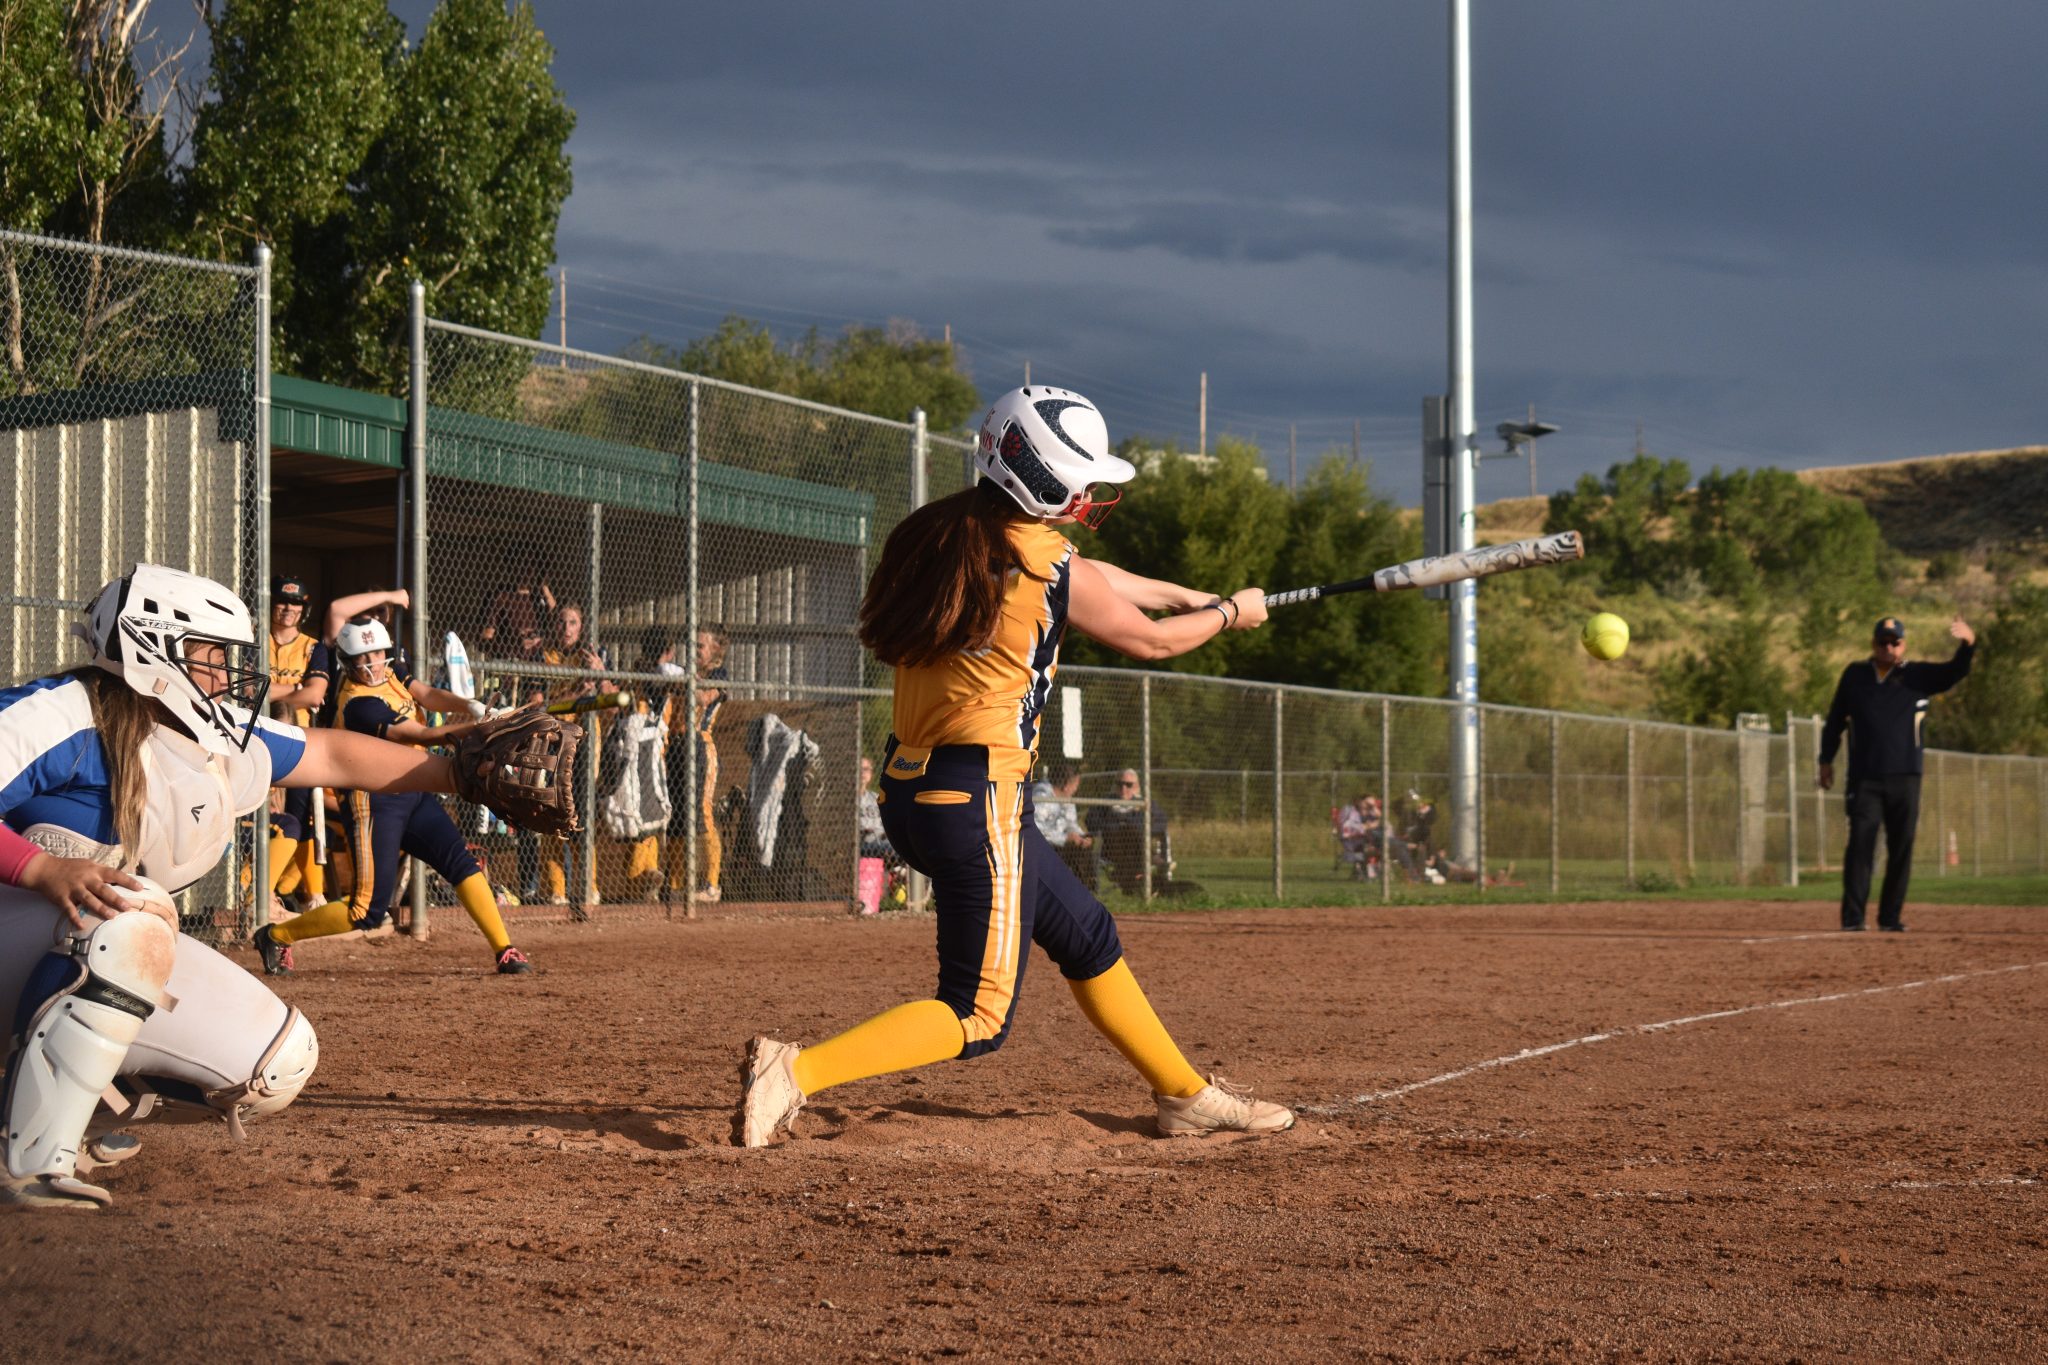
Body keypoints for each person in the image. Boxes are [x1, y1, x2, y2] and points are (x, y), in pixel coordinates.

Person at [735, 384, 1293, 1147]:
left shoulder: (942, 534)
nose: (1091, 491)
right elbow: (1149, 640)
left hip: (914, 789)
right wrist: (1232, 615)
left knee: (1085, 932)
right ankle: (794, 1072)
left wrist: (1191, 594)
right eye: (1082, 478)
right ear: (1045, 478)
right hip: (975, 800)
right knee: (976, 1013)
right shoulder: (1042, 563)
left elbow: (1093, 578)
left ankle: (1183, 1093)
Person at [0, 565, 511, 1208]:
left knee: (276, 1061)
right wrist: (39, 868)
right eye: (210, 654)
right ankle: (27, 1158)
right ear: (151, 648)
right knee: (133, 914)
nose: (224, 671)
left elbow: (332, 753)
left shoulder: (208, 733)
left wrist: (459, 776)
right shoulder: (62, 712)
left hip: (62, 949)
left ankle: (81, 1119)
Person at [253, 617, 534, 976]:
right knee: (367, 911)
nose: (373, 665)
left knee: (459, 862)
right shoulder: (358, 705)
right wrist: (481, 728)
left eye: (378, 654)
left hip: (414, 789)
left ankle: (505, 949)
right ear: (347, 662)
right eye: (362, 659)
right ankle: (276, 935)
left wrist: (473, 705)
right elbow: (418, 734)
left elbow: (428, 695)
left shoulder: (393, 671)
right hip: (373, 798)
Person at [1817, 614, 1976, 933]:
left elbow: (1955, 671)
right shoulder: (1855, 675)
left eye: (1895, 642)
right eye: (1883, 642)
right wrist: (1825, 760)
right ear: (1873, 644)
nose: (1888, 648)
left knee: (1901, 847)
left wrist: (1968, 644)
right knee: (1860, 844)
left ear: (1903, 645)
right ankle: (1853, 918)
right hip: (1865, 777)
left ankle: (1890, 918)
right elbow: (1836, 719)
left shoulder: (1916, 676)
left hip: (1906, 776)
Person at [663, 624, 728, 904]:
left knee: (701, 812)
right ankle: (677, 883)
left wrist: (685, 679)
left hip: (700, 745)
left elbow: (703, 696)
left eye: (700, 647)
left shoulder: (718, 675)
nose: (694, 651)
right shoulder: (681, 671)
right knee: (677, 817)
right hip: (675, 744)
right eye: (691, 646)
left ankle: (711, 883)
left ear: (715, 650)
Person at [1088, 768, 1170, 896]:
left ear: (1136, 786)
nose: (1123, 788)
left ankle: (1136, 884)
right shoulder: (1104, 802)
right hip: (1113, 848)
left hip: (1137, 848)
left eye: (1128, 785)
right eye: (1120, 784)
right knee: (1128, 829)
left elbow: (1162, 821)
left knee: (1133, 830)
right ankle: (1144, 872)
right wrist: (1118, 825)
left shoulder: (1144, 802)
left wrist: (1145, 828)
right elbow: (1091, 822)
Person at [1031, 760, 1093, 888]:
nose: (1076, 788)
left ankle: (1084, 891)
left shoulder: (1066, 798)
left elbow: (1070, 822)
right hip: (1039, 847)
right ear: (1066, 785)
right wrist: (1064, 838)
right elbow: (1034, 830)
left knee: (1084, 847)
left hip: (1058, 844)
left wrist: (1080, 836)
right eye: (1075, 785)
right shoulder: (1042, 797)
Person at [856, 756, 893, 860]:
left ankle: (898, 871)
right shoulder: (849, 799)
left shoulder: (876, 798)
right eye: (860, 768)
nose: (863, 772)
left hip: (881, 841)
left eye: (866, 769)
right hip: (862, 843)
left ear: (871, 773)